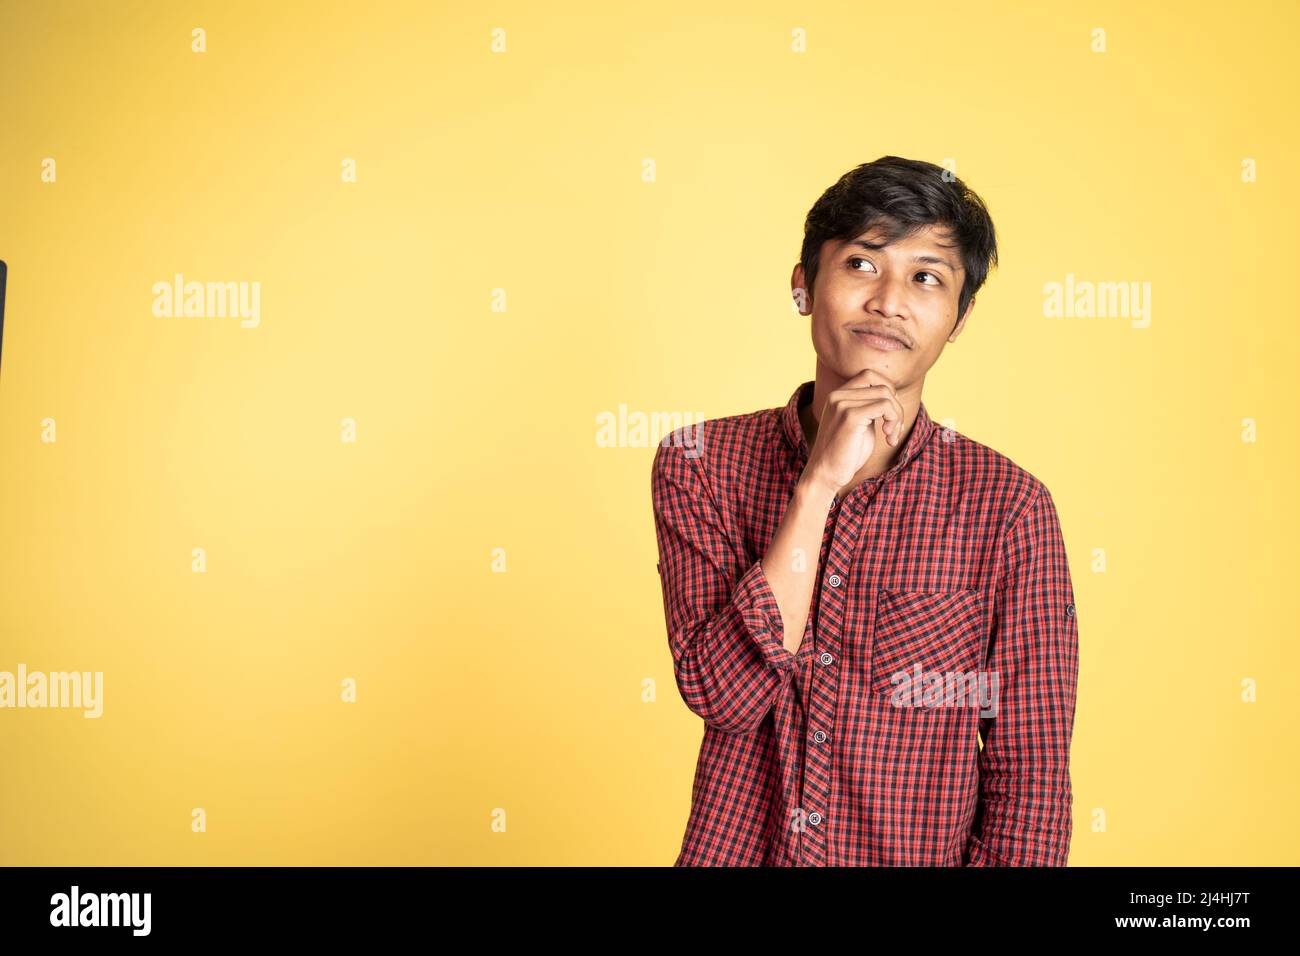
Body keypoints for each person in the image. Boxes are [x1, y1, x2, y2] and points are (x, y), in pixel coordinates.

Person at [650, 156, 1079, 866]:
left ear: (960, 315)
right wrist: (816, 487)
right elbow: (725, 696)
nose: (888, 301)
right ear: (803, 287)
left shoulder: (1009, 509)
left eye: (926, 277)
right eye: (860, 263)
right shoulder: (699, 464)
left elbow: (1029, 783)